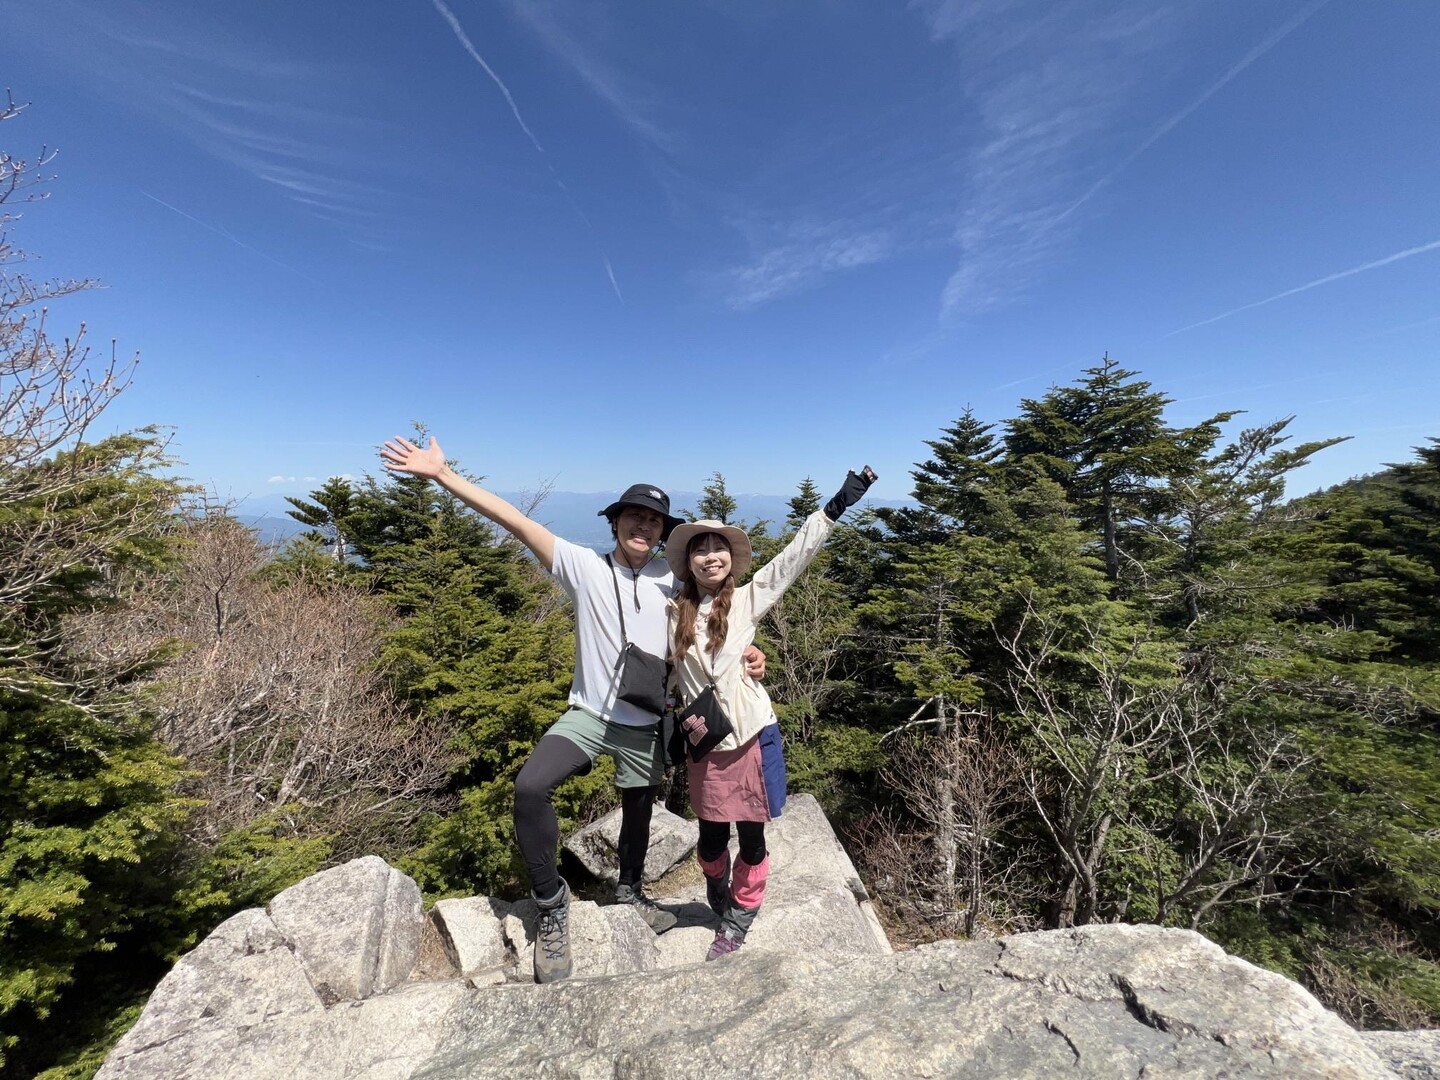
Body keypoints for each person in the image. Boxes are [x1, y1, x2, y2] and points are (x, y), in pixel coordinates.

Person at [378, 434, 766, 983]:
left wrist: (751, 652)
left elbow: (719, 611)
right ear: (615, 523)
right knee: (531, 786)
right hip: (588, 713)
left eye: (653, 521)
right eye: (633, 517)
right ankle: (551, 903)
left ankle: (630, 895)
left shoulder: (673, 581)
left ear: (662, 532)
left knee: (639, 807)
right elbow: (514, 520)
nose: (643, 527)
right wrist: (443, 476)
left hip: (648, 719)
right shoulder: (581, 566)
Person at [667, 465, 876, 960]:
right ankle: (717, 888)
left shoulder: (746, 600)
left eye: (717, 548)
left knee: (752, 840)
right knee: (711, 839)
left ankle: (737, 920)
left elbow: (793, 558)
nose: (710, 555)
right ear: (688, 562)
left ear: (729, 559)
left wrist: (838, 504)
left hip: (752, 736)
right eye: (700, 548)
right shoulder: (672, 612)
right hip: (704, 742)